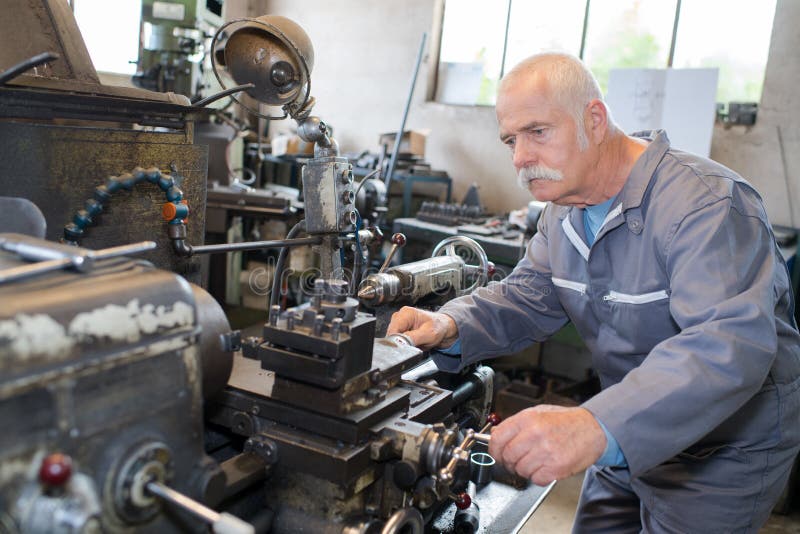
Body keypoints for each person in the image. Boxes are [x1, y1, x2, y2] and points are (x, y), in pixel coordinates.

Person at [387, 53, 800, 532]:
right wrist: (450, 323)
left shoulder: (706, 204)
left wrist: (595, 425)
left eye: (537, 132)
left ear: (595, 120)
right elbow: (528, 296)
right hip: (625, 421)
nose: (520, 158)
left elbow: (726, 345)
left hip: (720, 449)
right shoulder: (564, 212)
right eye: (511, 140)